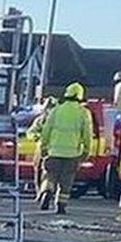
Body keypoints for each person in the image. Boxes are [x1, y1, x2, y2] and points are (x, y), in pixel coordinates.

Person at [39, 83, 94, 214]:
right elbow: (87, 133)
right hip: (72, 154)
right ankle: (61, 205)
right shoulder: (83, 113)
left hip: (54, 152)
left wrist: (43, 147)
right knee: (66, 181)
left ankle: (47, 190)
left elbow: (46, 130)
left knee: (49, 176)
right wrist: (86, 150)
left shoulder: (57, 110)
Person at [26, 97, 57, 192]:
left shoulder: (58, 120)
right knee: (39, 171)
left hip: (54, 150)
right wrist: (37, 136)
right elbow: (31, 132)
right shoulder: (41, 120)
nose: (50, 110)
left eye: (52, 107)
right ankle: (40, 191)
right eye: (49, 107)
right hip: (41, 149)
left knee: (52, 173)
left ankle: (49, 191)